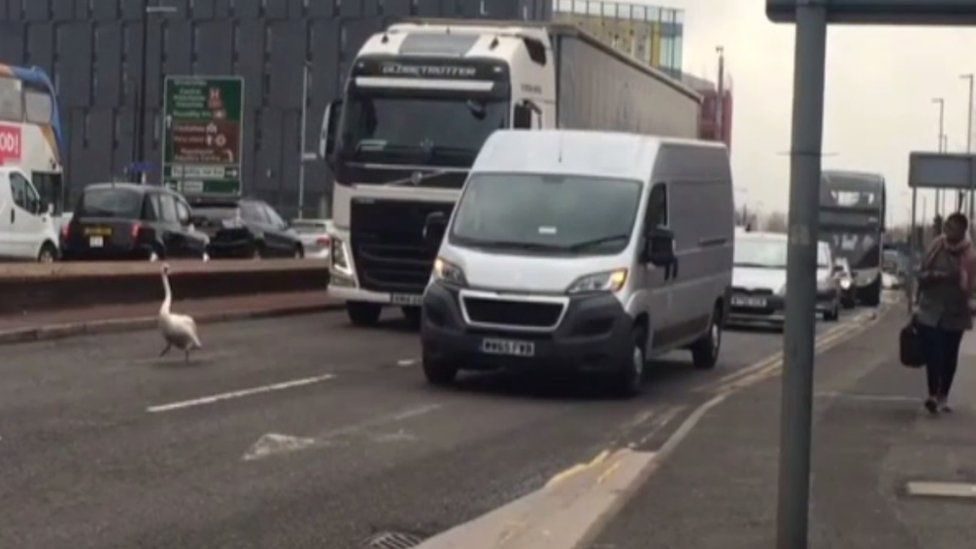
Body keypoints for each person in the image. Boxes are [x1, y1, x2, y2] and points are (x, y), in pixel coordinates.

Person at [915, 212, 976, 414]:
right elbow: (921, 273)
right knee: (934, 353)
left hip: (956, 312)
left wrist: (964, 284)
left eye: (953, 227)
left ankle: (943, 395)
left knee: (949, 356)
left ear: (962, 231)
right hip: (931, 309)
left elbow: (971, 286)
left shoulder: (970, 255)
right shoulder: (936, 247)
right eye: (947, 225)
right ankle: (932, 394)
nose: (948, 230)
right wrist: (937, 276)